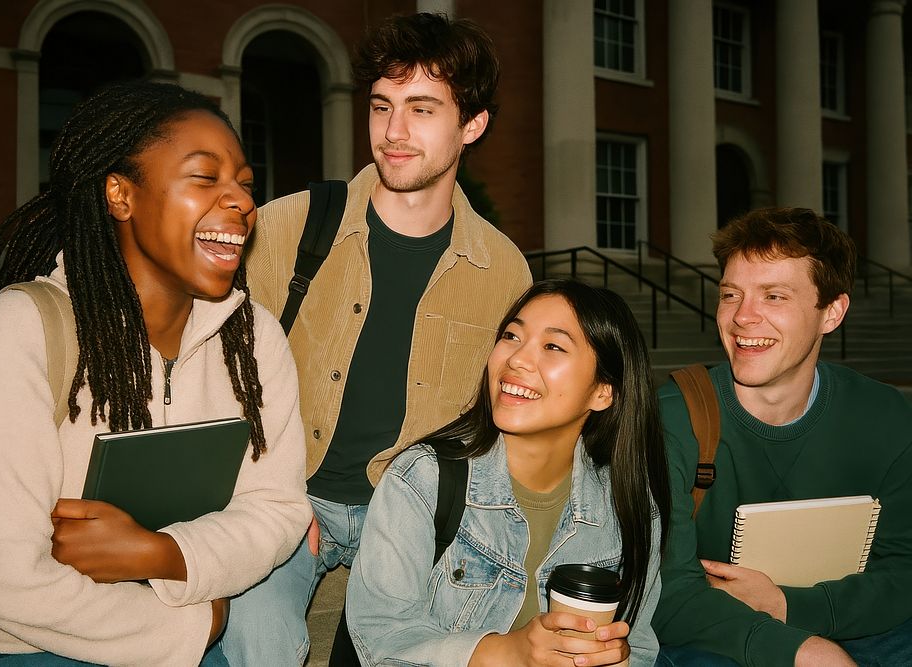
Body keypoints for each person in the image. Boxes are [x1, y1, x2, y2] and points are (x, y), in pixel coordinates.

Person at [0, 81, 311, 665]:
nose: (240, 201)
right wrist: (192, 627)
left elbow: (278, 507)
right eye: (204, 177)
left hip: (197, 639)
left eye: (245, 183)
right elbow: (8, 578)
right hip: (40, 650)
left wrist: (165, 554)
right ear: (120, 195)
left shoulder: (254, 339)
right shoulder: (19, 332)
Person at [223, 11, 532, 664]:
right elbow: (219, 369)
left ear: (472, 125)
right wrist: (270, 491)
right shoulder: (288, 226)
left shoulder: (503, 271)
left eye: (422, 109)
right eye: (382, 105)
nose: (393, 131)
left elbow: (503, 420)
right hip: (287, 493)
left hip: (411, 513)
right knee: (257, 640)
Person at [345, 278, 670, 666]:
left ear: (603, 391)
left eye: (552, 346)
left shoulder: (630, 505)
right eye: (512, 336)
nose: (516, 359)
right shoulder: (423, 480)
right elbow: (381, 639)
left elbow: (640, 645)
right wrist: (506, 652)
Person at [652, 208, 912, 666]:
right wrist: (802, 651)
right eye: (730, 295)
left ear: (832, 312)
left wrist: (788, 607)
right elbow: (664, 591)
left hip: (858, 625)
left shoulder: (886, 415)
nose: (742, 317)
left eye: (773, 296)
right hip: (717, 635)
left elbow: (903, 569)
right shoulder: (670, 419)